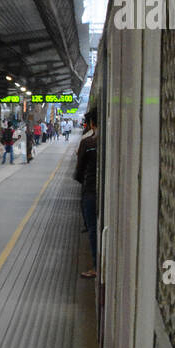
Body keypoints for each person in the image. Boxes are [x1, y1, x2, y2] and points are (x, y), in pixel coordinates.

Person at [75, 108, 99, 278]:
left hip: (90, 189)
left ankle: (96, 266)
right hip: (101, 191)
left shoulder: (88, 142)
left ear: (91, 123)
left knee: (92, 228)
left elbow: (79, 172)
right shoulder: (111, 139)